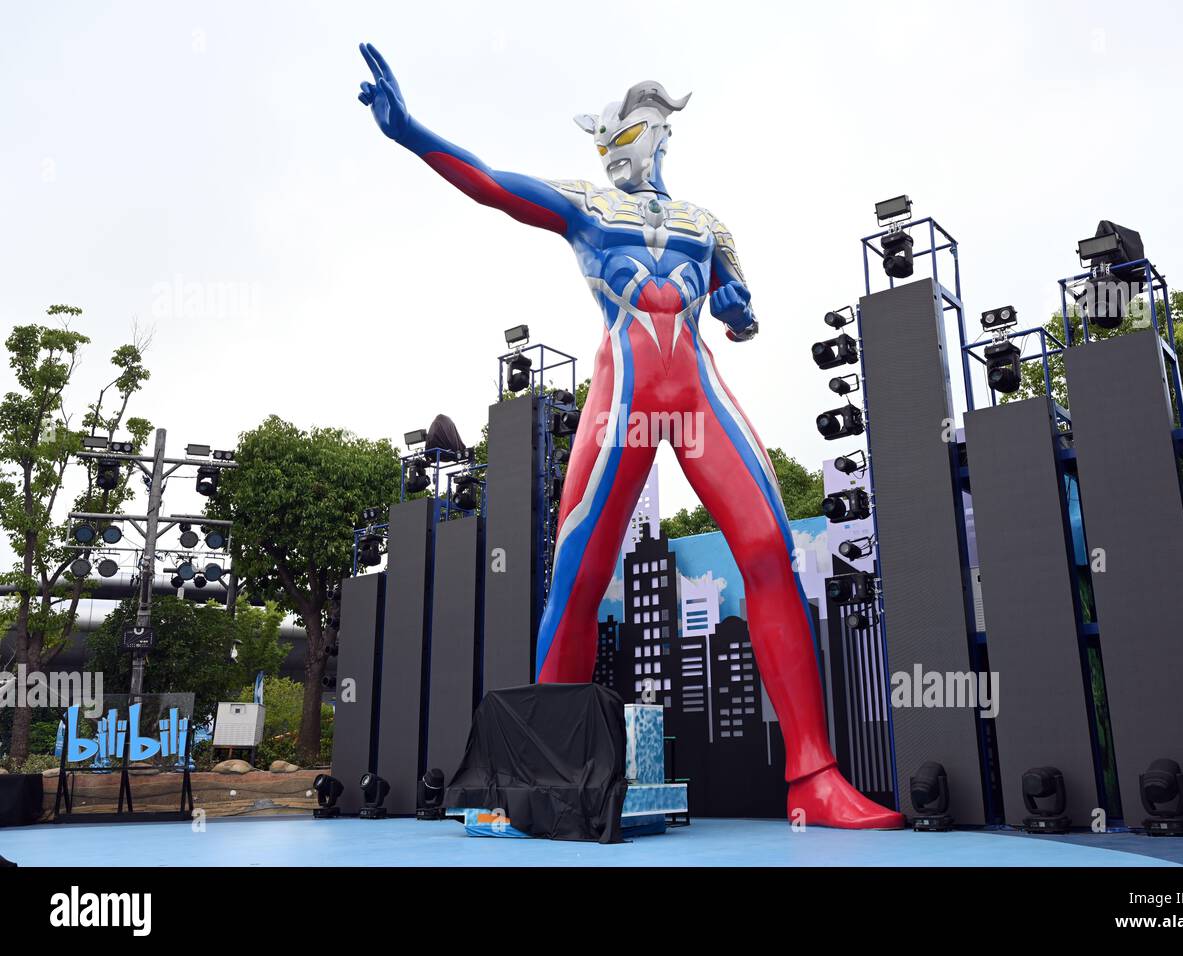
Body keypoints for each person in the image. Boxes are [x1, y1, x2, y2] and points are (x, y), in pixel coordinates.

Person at [358, 43, 902, 828]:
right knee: (577, 580)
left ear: (658, 135)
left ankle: (813, 777)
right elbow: (493, 188)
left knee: (768, 549)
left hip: (695, 394)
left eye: (624, 139)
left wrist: (741, 311)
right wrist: (412, 133)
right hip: (624, 399)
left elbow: (739, 311)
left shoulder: (708, 224)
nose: (612, 155)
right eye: (603, 144)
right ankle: (536, 783)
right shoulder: (585, 205)